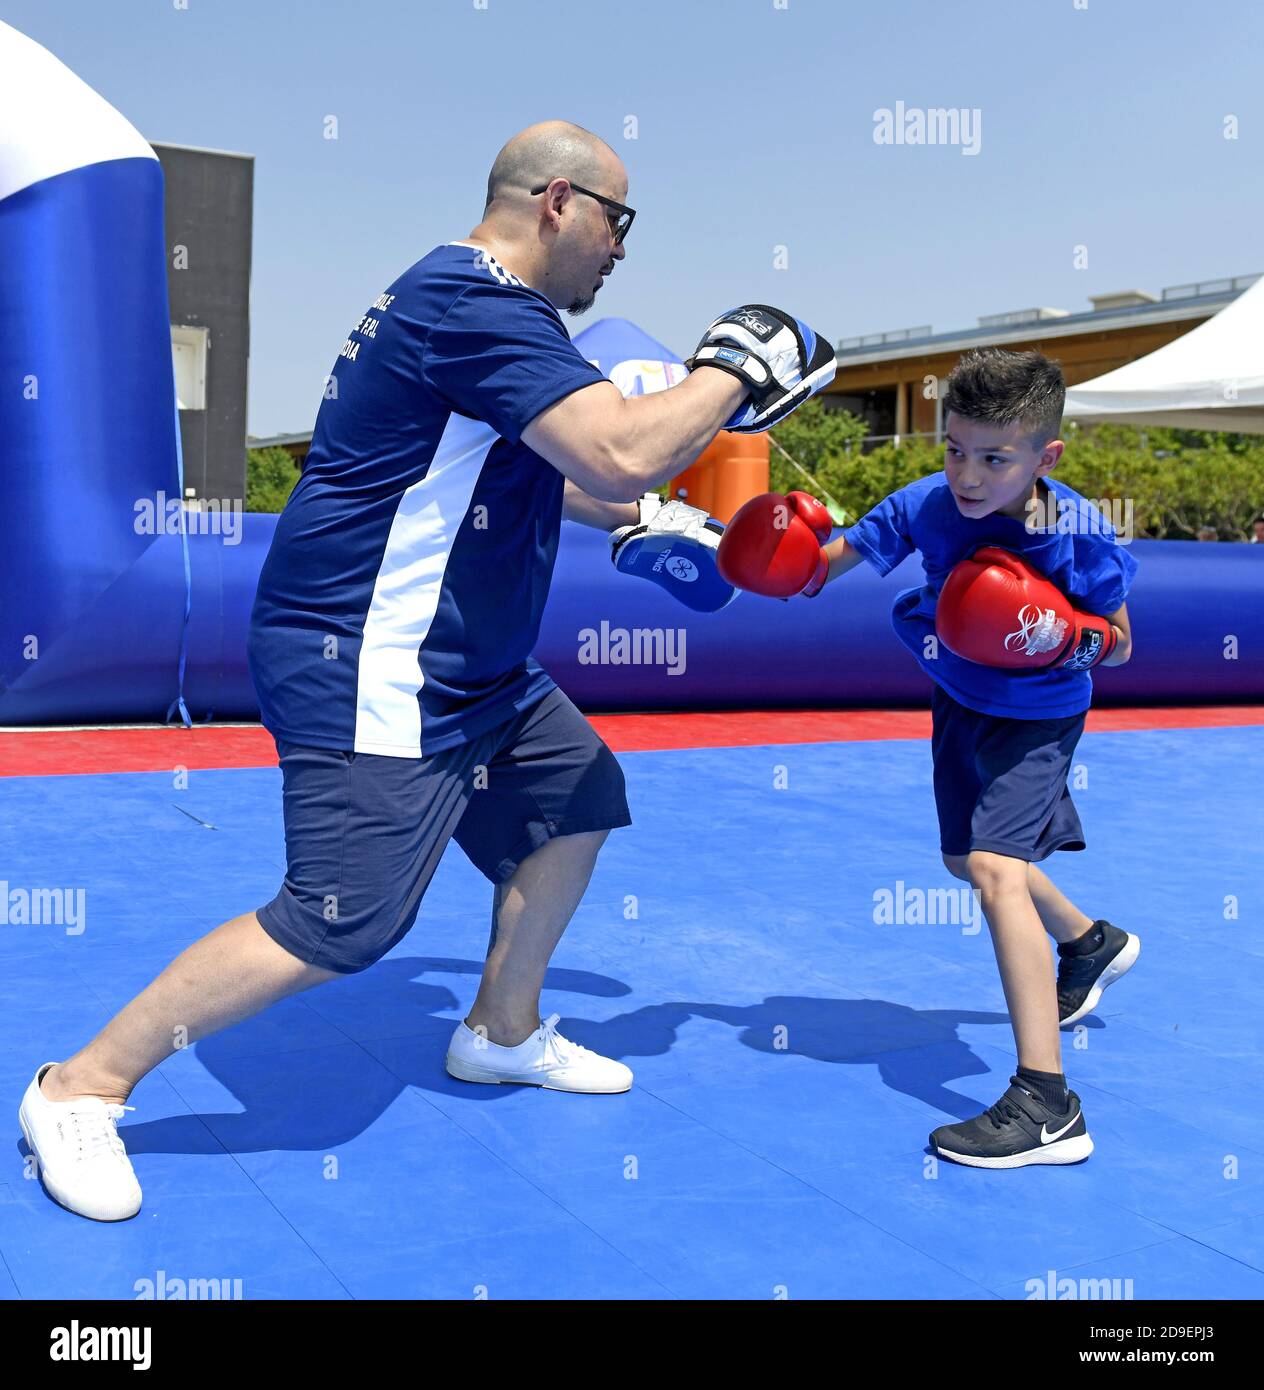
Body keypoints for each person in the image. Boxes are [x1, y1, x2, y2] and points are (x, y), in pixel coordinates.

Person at [18, 119, 832, 1221]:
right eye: (617, 221)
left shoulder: (477, 308)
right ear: (558, 202)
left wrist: (643, 521)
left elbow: (559, 472)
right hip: (371, 654)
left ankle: (501, 1029)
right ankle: (81, 1086)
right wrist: (733, 365)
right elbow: (618, 446)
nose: (621, 249)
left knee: (576, 798)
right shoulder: (475, 303)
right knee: (340, 921)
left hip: (472, 666)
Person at [718, 348, 1141, 1168]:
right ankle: (1088, 942)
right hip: (958, 697)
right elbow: (823, 569)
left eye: (995, 458)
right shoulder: (927, 504)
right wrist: (784, 549)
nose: (969, 475)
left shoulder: (1077, 530)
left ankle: (1048, 1103)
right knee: (962, 858)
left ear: (1045, 457)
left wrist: (1061, 634)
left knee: (994, 868)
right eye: (955, 450)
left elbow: (1121, 644)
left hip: (1040, 714)